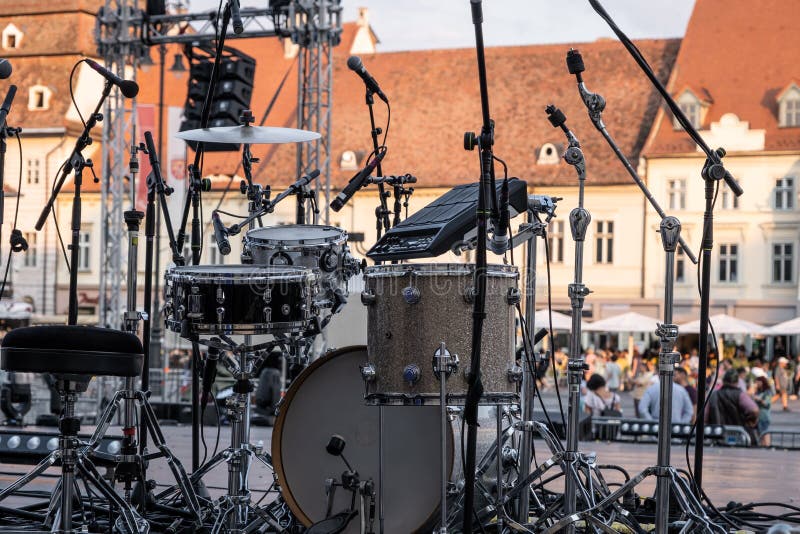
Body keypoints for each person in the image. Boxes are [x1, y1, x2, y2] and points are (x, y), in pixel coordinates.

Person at [707, 369, 760, 446]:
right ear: (737, 382)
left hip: (718, 436)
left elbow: (705, 416)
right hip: (739, 434)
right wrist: (751, 421)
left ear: (724, 381)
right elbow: (754, 410)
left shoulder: (713, 395)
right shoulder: (740, 395)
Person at [751, 376, 773, 447]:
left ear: (762, 382)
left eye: (758, 382)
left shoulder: (767, 392)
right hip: (757, 416)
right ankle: (762, 445)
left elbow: (767, 403)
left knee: (765, 432)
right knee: (759, 432)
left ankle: (767, 445)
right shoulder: (757, 391)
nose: (756, 384)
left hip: (764, 416)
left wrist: (759, 399)